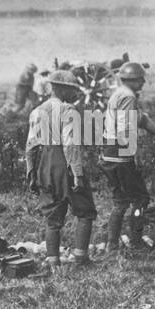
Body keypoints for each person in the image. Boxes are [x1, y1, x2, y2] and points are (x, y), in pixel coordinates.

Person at [99, 61, 155, 252]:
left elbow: (142, 120)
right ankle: (135, 241)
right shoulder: (128, 97)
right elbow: (125, 127)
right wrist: (131, 150)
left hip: (109, 155)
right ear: (132, 80)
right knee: (140, 199)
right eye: (140, 79)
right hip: (121, 156)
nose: (143, 81)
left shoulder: (119, 94)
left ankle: (112, 245)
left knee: (120, 201)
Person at [25, 70, 97, 268]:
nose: (75, 94)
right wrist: (77, 174)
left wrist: (31, 172)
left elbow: (31, 145)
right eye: (72, 90)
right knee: (85, 211)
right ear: (60, 88)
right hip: (63, 162)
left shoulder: (37, 111)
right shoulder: (68, 110)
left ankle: (53, 261)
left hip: (44, 163)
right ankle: (81, 258)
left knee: (52, 214)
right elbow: (70, 144)